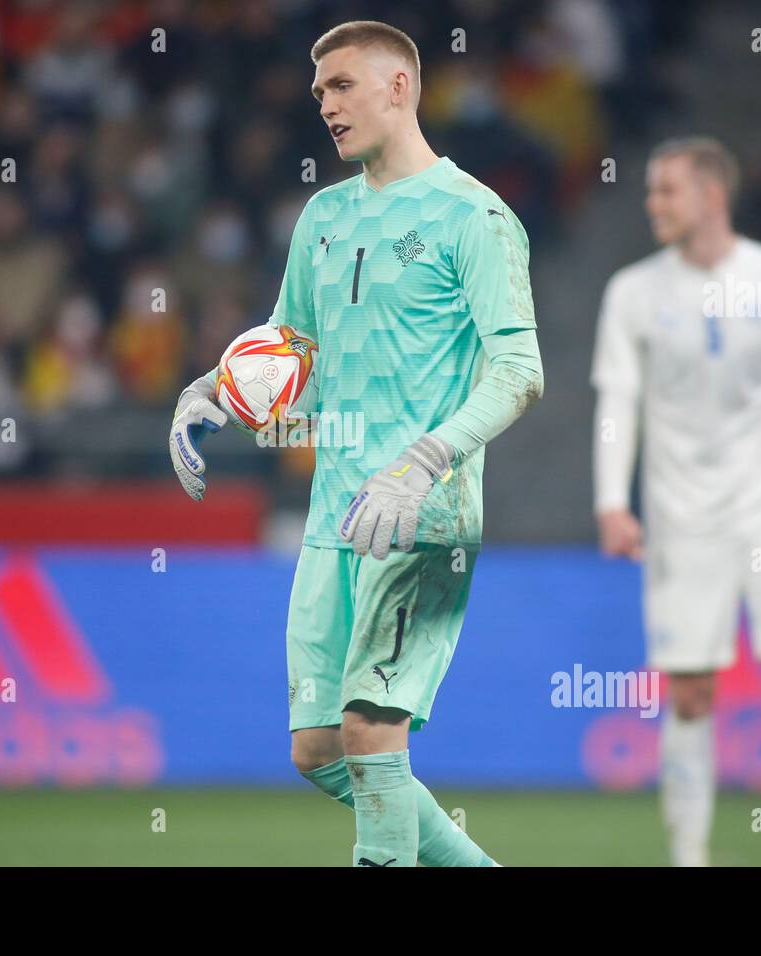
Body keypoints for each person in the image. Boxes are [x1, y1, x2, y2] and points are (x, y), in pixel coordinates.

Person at [169, 20, 543, 866]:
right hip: (335, 512)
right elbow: (291, 345)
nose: (326, 106)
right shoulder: (324, 216)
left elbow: (520, 371)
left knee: (373, 732)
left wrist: (426, 462)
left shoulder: (474, 216)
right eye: (319, 93)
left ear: (399, 87)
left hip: (422, 513)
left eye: (342, 86)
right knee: (319, 749)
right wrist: (214, 392)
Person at [590, 136, 761, 866]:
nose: (653, 204)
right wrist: (611, 501)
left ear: (712, 196)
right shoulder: (633, 291)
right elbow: (618, 402)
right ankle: (690, 856)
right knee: (689, 695)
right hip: (683, 516)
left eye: (666, 191)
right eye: (651, 191)